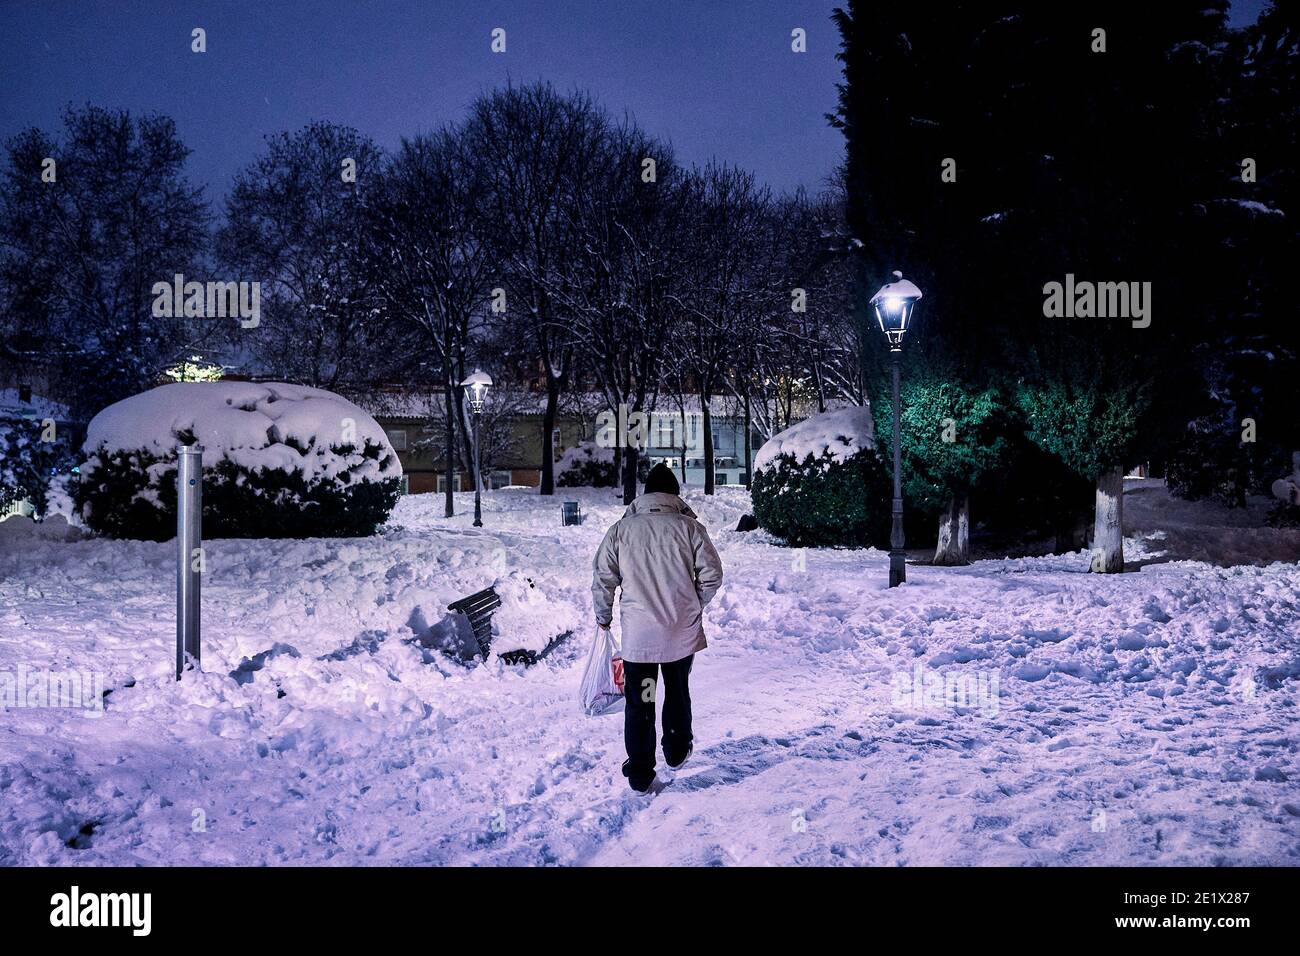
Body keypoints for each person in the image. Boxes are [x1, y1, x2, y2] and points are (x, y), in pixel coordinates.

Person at [592, 463, 724, 793]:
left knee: (642, 699)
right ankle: (677, 750)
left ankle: (639, 772)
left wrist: (603, 617)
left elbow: (603, 580)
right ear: (673, 494)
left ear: (646, 494)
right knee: (677, 690)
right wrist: (694, 602)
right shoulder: (690, 528)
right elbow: (713, 575)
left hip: (641, 638)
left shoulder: (621, 531)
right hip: (680, 632)